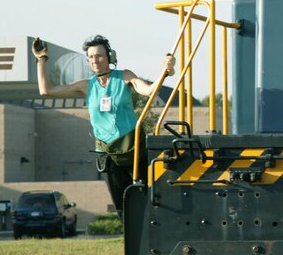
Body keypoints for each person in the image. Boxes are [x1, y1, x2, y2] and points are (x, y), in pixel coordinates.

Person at [32, 35, 176, 216]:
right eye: (91, 57)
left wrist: (166, 71)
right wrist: (41, 59)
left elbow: (148, 91)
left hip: (134, 148)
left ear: (110, 56)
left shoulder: (124, 76)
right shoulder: (86, 85)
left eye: (99, 55)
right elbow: (46, 91)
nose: (95, 60)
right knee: (122, 205)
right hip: (107, 153)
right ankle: (131, 240)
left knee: (148, 197)